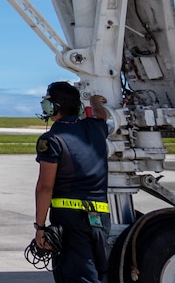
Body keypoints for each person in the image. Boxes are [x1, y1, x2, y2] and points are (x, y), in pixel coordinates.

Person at [33, 81, 111, 283]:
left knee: (78, 277)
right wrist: (95, 102)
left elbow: (45, 187)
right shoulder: (97, 129)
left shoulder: (52, 140)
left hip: (71, 222)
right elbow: (101, 115)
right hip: (101, 218)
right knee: (101, 274)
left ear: (52, 108)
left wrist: (40, 227)